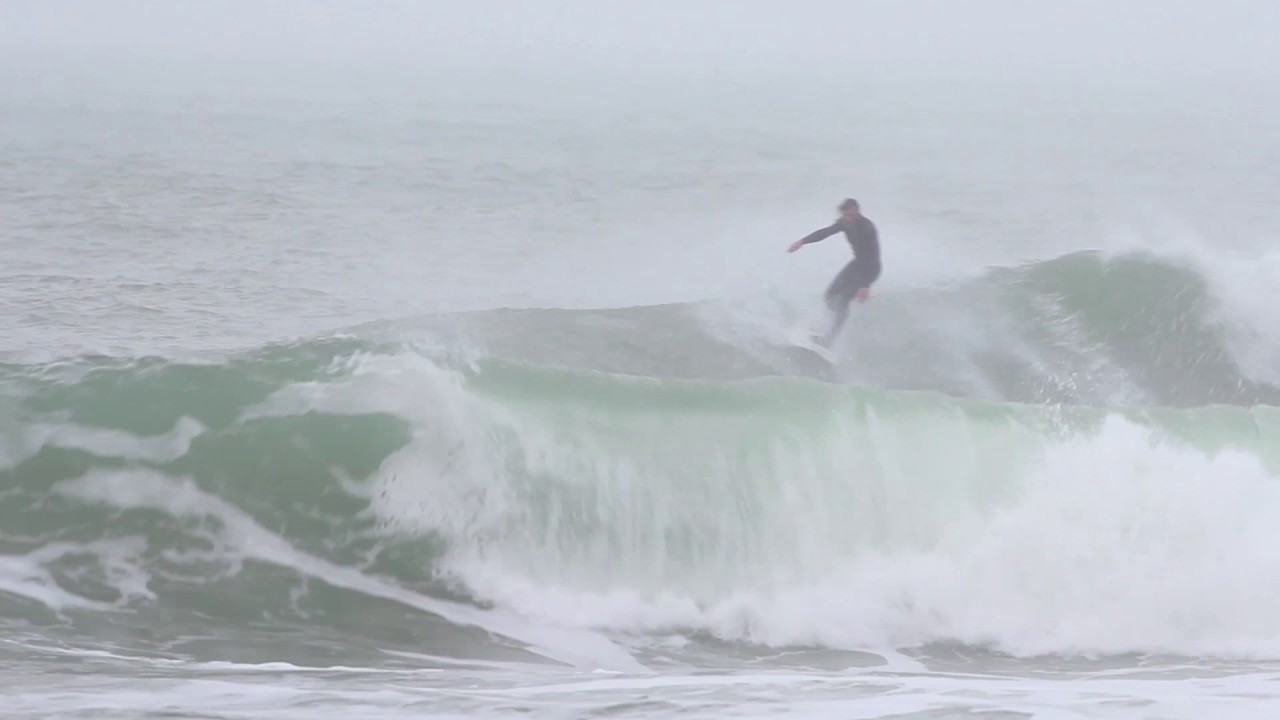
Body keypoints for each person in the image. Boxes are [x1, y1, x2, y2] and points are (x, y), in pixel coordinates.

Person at [786, 198, 881, 347]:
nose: (848, 219)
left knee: (843, 301)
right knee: (829, 297)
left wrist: (865, 284)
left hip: (870, 268)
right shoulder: (845, 223)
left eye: (851, 215)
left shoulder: (867, 228)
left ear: (857, 211)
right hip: (856, 264)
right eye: (846, 216)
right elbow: (825, 233)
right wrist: (802, 241)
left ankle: (829, 339)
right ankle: (827, 327)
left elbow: (874, 258)